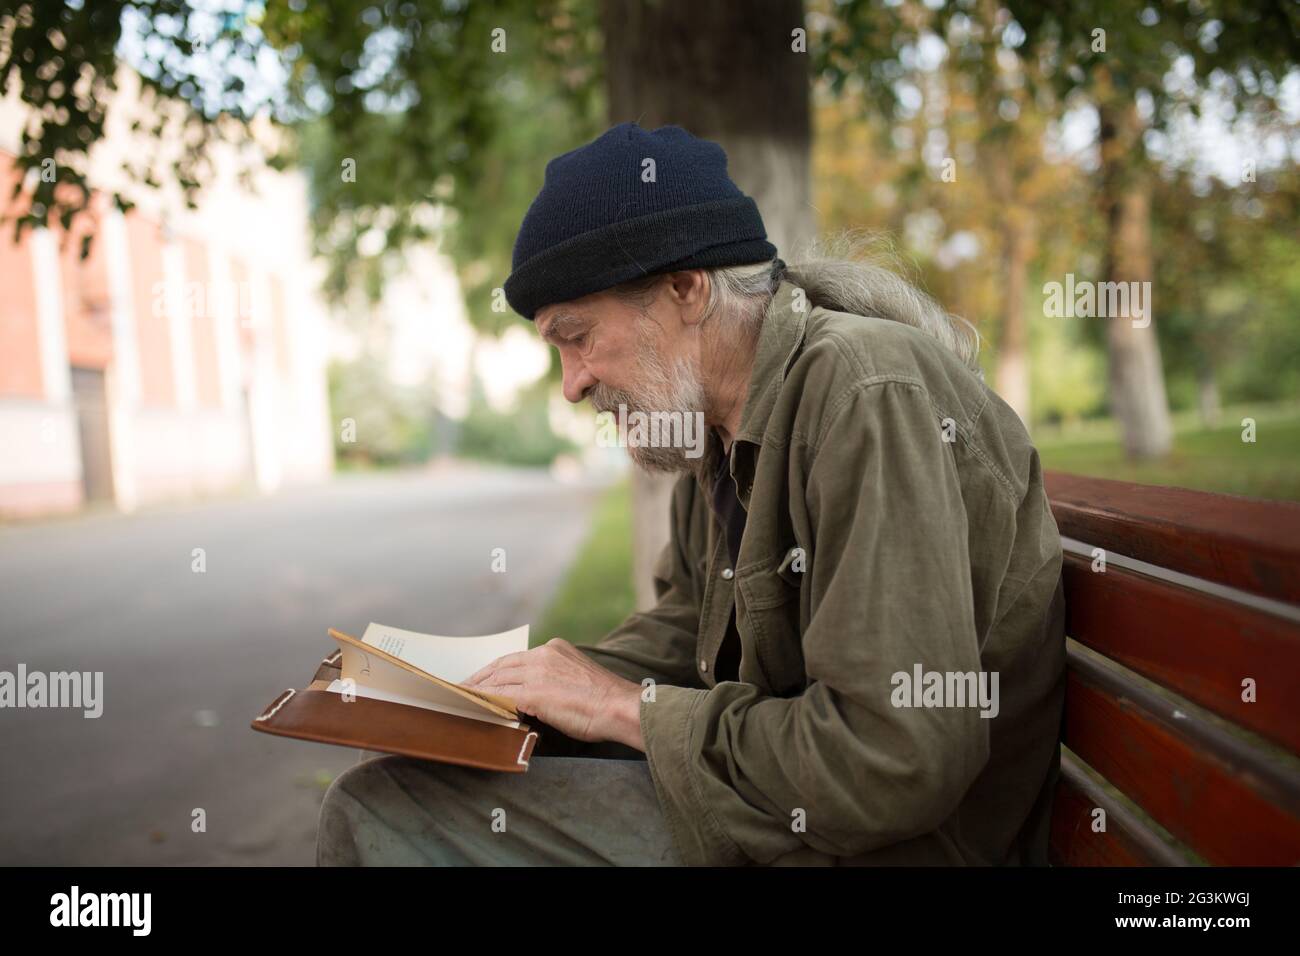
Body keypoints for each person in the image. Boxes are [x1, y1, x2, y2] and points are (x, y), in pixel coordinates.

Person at [316, 122, 1066, 867]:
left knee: (381, 812)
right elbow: (686, 637)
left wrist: (621, 709)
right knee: (412, 779)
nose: (574, 384)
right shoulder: (713, 432)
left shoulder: (863, 395)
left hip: (878, 845)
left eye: (577, 337)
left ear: (685, 289)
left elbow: (892, 761)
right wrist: (509, 695)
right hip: (780, 813)